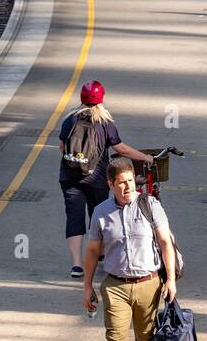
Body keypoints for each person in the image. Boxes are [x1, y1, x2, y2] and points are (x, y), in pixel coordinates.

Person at [83, 157, 177, 341]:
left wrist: (171, 279)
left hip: (149, 285)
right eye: (122, 182)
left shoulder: (150, 205)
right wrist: (87, 286)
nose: (128, 187)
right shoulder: (101, 212)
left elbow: (166, 243)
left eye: (131, 181)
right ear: (110, 184)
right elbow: (93, 251)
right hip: (115, 286)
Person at [57, 80, 154, 278]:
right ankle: (100, 252)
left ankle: (76, 265)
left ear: (82, 98)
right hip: (97, 177)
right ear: (101, 99)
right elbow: (121, 149)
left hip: (70, 176)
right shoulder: (105, 123)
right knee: (98, 215)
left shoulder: (69, 120)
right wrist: (145, 157)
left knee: (74, 217)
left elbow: (61, 147)